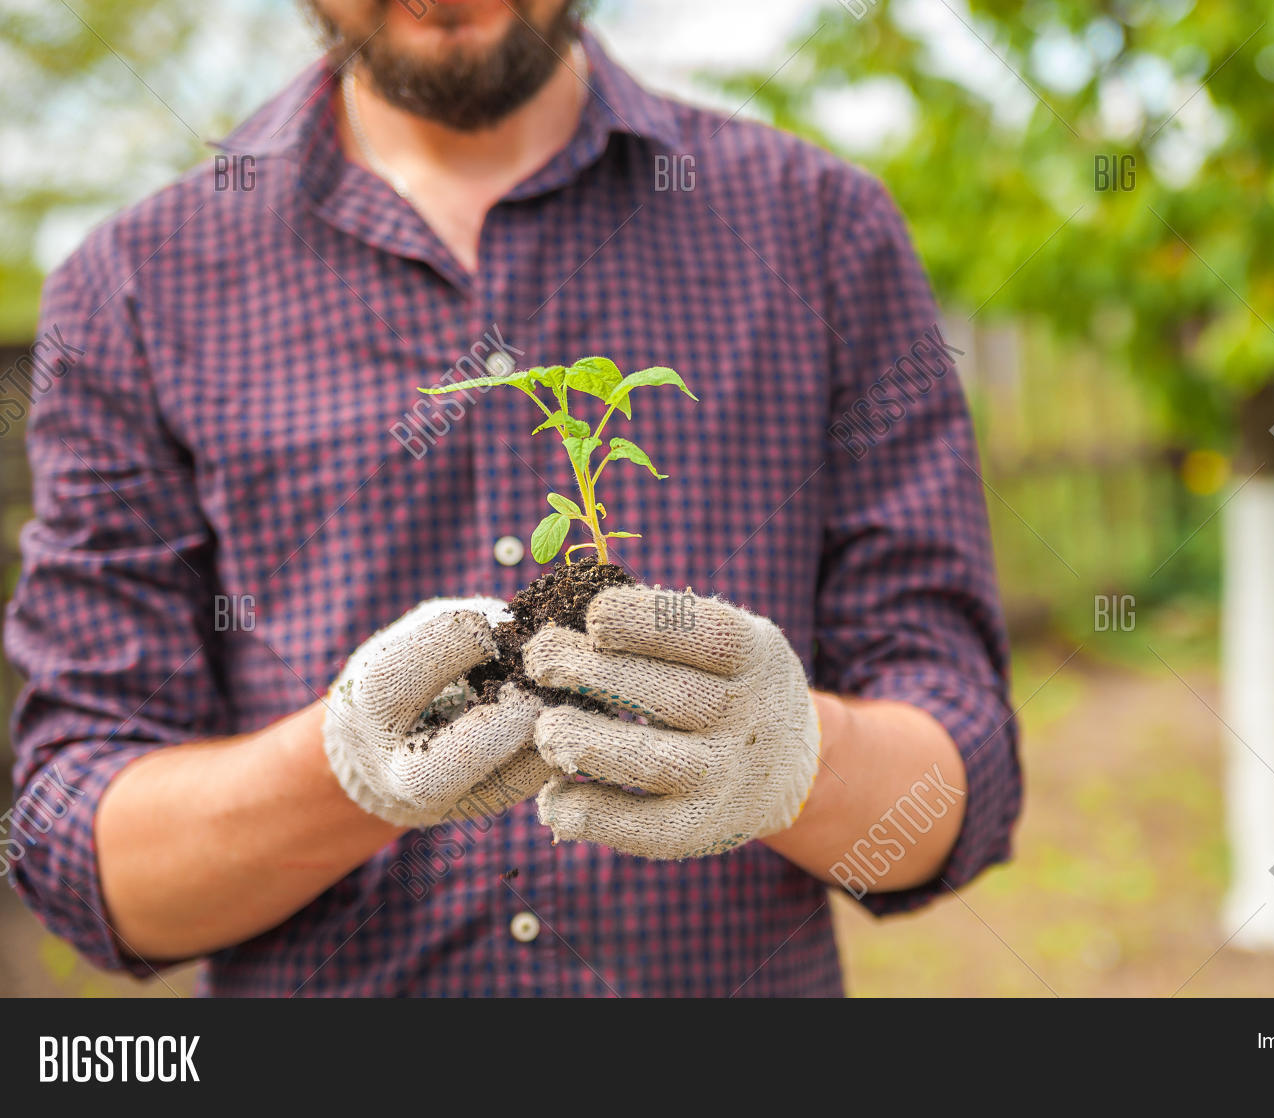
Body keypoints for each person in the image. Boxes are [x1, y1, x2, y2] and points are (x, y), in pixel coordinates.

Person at [5, 0, 1020, 996]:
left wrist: (797, 755)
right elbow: (81, 851)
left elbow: (959, 776)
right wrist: (347, 766)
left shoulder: (820, 229)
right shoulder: (134, 288)